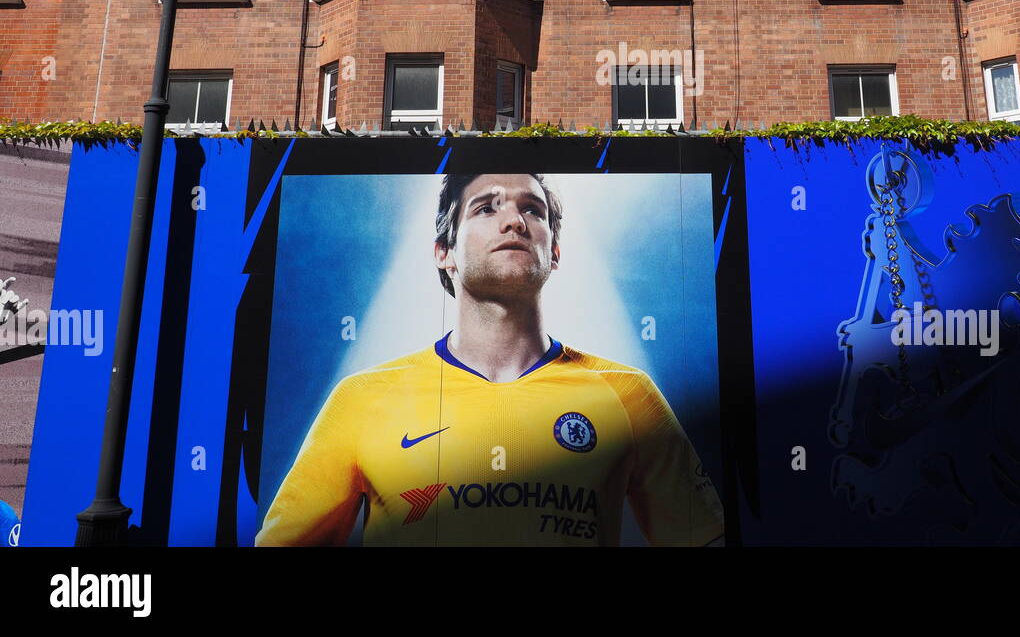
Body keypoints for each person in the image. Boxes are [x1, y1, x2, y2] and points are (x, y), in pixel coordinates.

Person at [256, 172, 725, 547]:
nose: (515, 221)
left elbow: (705, 537)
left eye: (532, 209)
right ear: (444, 253)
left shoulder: (628, 392)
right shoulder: (363, 397)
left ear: (555, 252)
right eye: (487, 206)